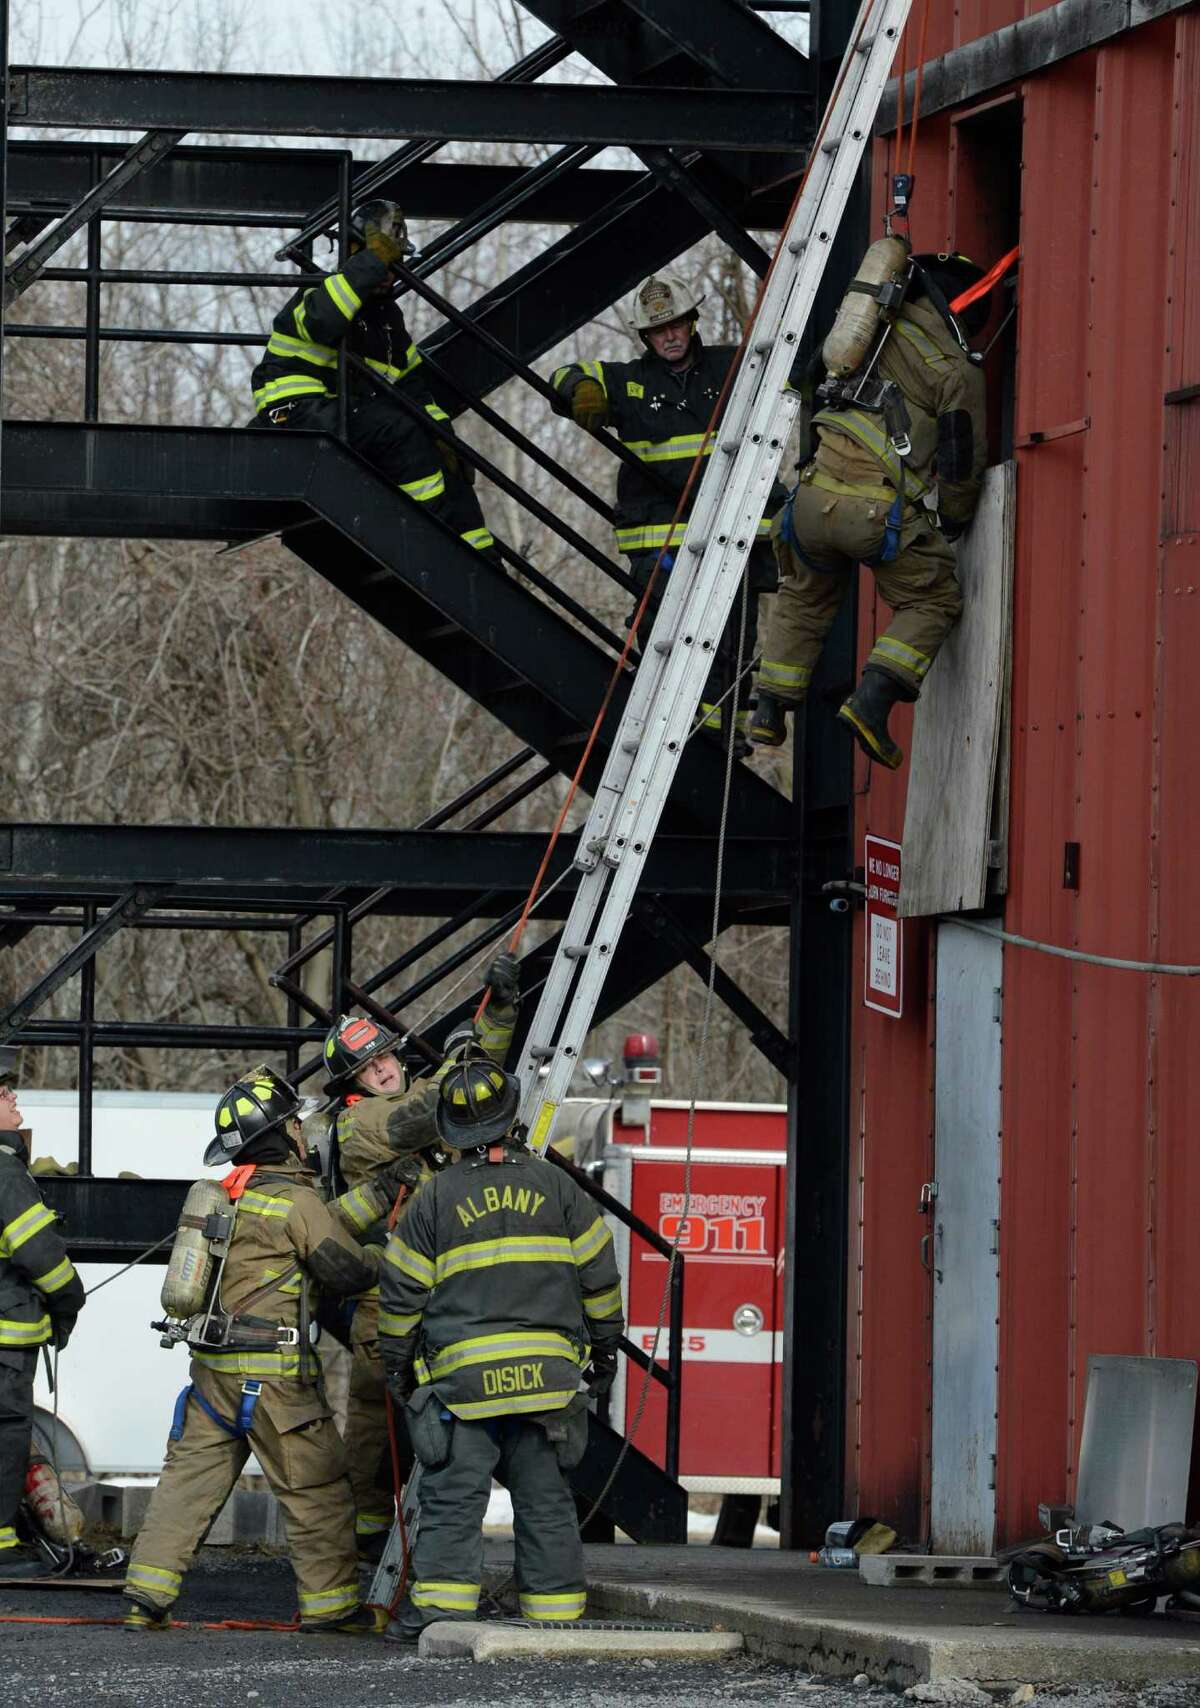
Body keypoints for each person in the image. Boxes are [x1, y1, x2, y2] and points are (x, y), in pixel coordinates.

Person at [123, 1067, 412, 1634]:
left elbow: (323, 1222)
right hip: (276, 1382)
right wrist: (391, 1259)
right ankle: (332, 1609)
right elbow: (345, 1269)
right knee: (318, 1489)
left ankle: (145, 1597)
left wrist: (382, 1191)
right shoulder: (296, 1202)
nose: (303, 1132)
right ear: (282, 1135)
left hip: (212, 1376)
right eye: (294, 1124)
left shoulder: (228, 1198)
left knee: (187, 1487)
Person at [377, 1051, 624, 1638]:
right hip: (547, 1383)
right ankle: (554, 1615)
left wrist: (398, 1368)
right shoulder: (559, 1188)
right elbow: (600, 1278)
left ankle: (441, 1616)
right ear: (512, 1116)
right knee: (546, 1500)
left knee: (454, 1500)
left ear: (451, 1132)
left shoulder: (434, 1198)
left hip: (464, 1390)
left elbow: (401, 1296)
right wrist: (606, 1350)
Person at [315, 951, 521, 1559]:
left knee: (445, 1411)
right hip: (384, 1299)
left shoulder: (419, 1091)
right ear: (351, 1086)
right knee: (375, 1422)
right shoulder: (357, 1126)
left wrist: (498, 1015)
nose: (380, 1069)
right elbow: (427, 1115)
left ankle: (433, 1534)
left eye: (383, 1057)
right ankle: (366, 1537)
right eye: (366, 1068)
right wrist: (462, 1056)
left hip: (445, 1287)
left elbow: (467, 1088)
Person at [750, 252, 990, 770]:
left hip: (807, 504)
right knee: (933, 600)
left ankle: (769, 708)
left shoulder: (864, 334)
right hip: (874, 515)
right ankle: (871, 704)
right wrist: (953, 518)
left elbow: (807, 386)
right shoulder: (955, 369)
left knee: (804, 597)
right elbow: (961, 461)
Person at [553, 271, 787, 743]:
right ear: (645, 336)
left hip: (730, 535)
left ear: (692, 322)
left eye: (676, 324)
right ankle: (666, 729)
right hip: (662, 544)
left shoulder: (732, 367)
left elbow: (796, 366)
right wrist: (579, 390)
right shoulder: (629, 383)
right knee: (664, 638)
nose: (670, 337)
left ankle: (715, 739)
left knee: (729, 644)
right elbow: (564, 374)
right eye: (658, 330)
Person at [250, 198, 494, 555]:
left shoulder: (388, 322)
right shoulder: (321, 292)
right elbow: (323, 321)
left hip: (346, 416)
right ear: (355, 252)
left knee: (448, 464)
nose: (389, 271)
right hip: (293, 415)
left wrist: (445, 438)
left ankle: (481, 560)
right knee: (398, 429)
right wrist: (370, 262)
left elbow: (415, 391)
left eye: (394, 261)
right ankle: (432, 545)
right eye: (382, 259)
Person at [0, 1077, 85, 1579]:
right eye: (1, 1093)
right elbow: (39, 1254)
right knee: (7, 1432)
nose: (13, 1097)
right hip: (5, 1339)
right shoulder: (5, 1173)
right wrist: (69, 1297)